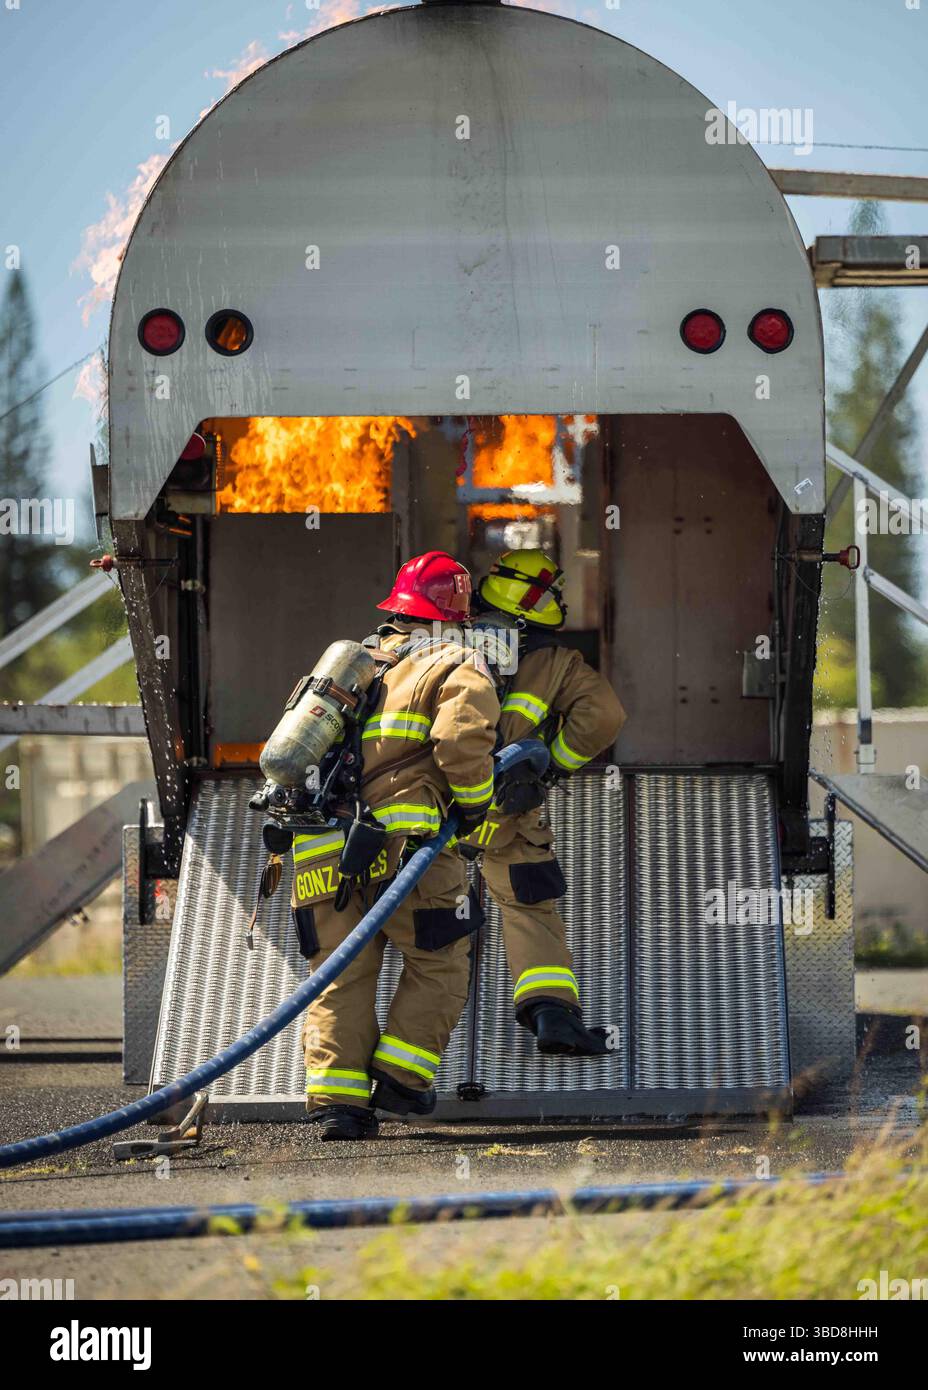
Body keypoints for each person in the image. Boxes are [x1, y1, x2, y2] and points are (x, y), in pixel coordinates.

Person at [293, 551, 499, 1140]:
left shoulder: (352, 665)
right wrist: (476, 804)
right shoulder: (457, 663)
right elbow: (460, 742)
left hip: (321, 850)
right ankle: (402, 1080)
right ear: (456, 616)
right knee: (439, 962)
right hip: (408, 848)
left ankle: (339, 1107)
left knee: (341, 973)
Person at [463, 548, 626, 1055]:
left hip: (434, 811)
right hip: (505, 813)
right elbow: (605, 715)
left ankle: (405, 1057)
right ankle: (552, 1014)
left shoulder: (441, 642)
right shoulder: (555, 661)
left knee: (422, 924)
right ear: (543, 602)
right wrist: (553, 763)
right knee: (528, 908)